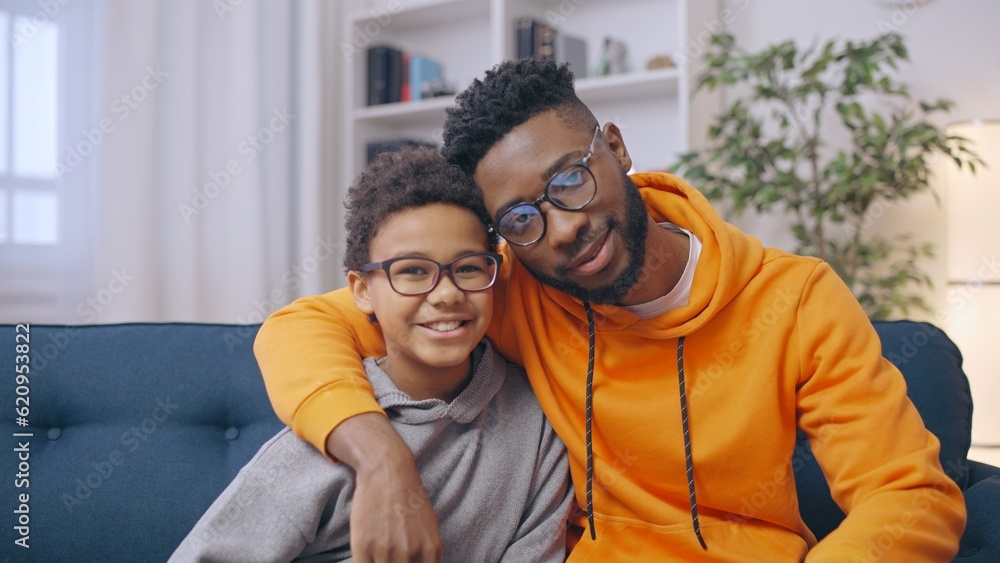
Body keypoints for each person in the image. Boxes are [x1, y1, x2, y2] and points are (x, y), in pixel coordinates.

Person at [254, 59, 966, 561]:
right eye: (523, 217)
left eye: (569, 179)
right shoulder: (511, 290)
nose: (562, 228)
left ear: (616, 148)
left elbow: (906, 492)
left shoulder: (797, 299)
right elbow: (299, 326)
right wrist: (381, 460)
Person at [170, 147, 572, 562]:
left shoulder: (539, 422)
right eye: (413, 271)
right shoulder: (324, 445)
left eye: (469, 267)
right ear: (362, 290)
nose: (448, 294)